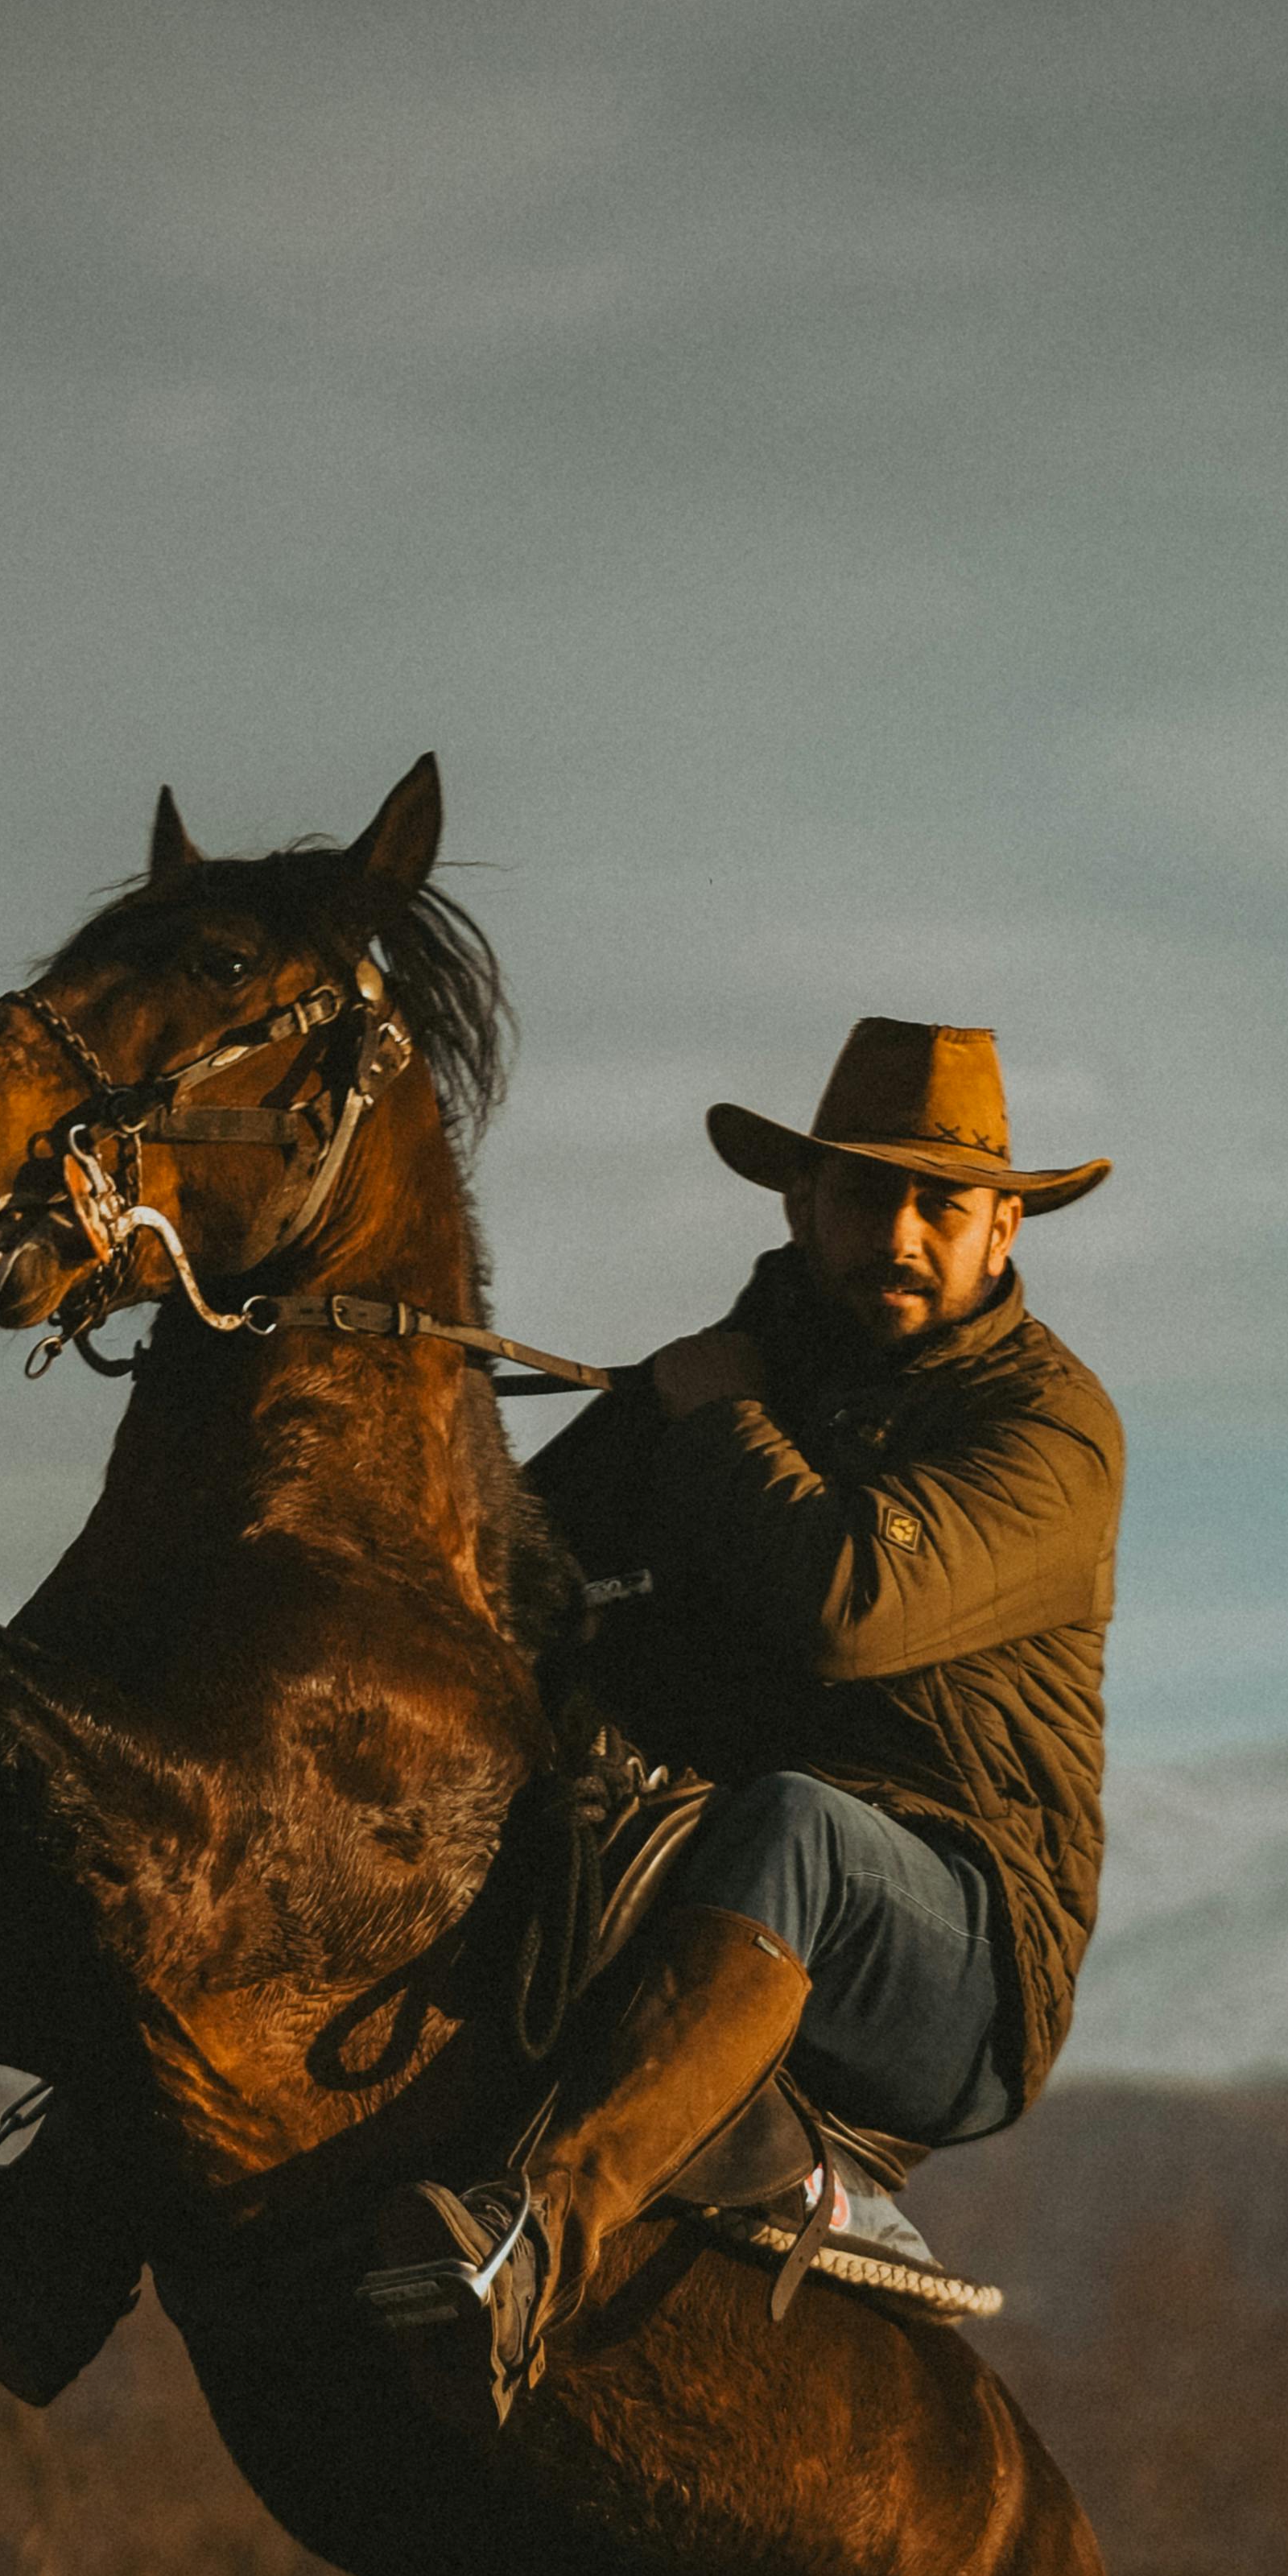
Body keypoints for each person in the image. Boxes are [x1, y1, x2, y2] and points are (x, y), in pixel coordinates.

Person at [364, 1014, 1120, 2425]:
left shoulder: (1052, 1430)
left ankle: (539, 2238)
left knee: (802, 1827)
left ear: (1004, 1229)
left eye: (938, 1202)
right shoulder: (727, 1377)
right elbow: (510, 1567)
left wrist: (718, 1424)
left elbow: (854, 1607)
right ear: (802, 1205)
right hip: (717, 1858)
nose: (898, 1229)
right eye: (863, 1193)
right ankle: (62, 2213)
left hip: (961, 1953)